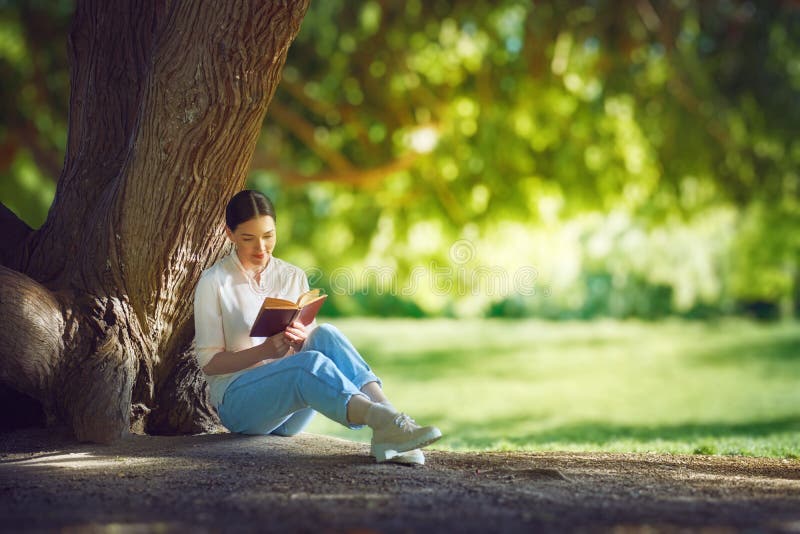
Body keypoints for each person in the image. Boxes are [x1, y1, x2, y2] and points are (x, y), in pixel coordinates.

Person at [193, 190, 441, 464]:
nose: (261, 248)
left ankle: (394, 427)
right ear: (229, 234)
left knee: (325, 334)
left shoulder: (291, 276)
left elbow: (311, 342)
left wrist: (301, 339)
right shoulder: (214, 281)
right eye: (248, 238)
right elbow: (209, 363)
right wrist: (263, 351)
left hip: (288, 413)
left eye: (268, 236)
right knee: (306, 365)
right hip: (240, 405)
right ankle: (384, 422)